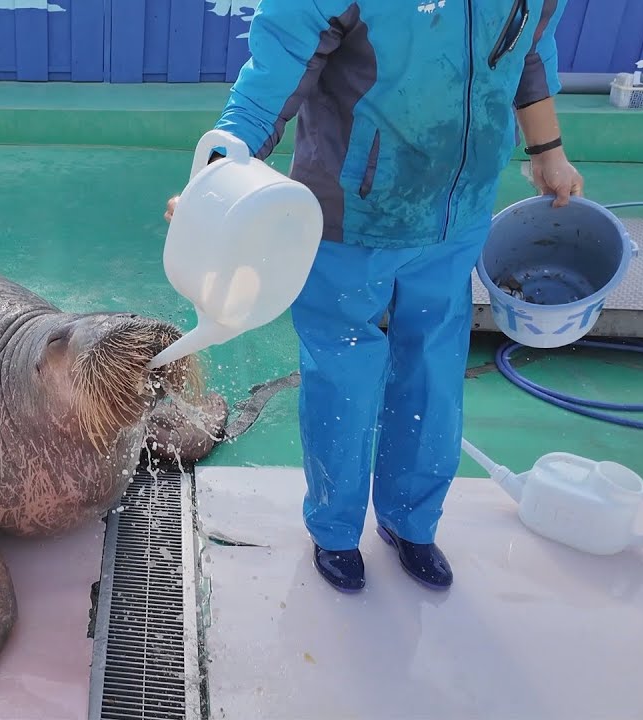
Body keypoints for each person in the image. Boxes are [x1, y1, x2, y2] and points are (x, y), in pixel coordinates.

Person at [164, 0, 583, 593]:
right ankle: (335, 531)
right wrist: (214, 179)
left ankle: (413, 522)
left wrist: (548, 151)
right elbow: (270, 81)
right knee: (344, 375)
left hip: (457, 217)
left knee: (435, 371)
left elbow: (529, 52)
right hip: (349, 218)